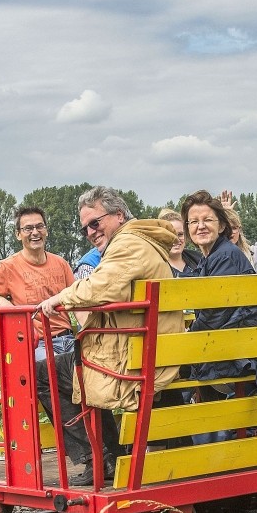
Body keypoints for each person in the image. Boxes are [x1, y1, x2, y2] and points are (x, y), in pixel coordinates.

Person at [36, 186, 184, 485]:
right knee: (72, 366)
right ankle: (110, 454)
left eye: (95, 222)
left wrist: (59, 298)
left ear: (118, 215)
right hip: (145, 351)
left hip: (133, 362)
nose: (90, 232)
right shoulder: (142, 241)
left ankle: (101, 457)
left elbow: (100, 286)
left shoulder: (129, 244)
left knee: (44, 372)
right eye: (85, 228)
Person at [177, 190, 257, 442]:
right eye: (193, 222)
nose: (200, 226)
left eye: (207, 220)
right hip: (230, 349)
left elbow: (215, 315)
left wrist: (185, 341)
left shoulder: (225, 256)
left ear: (223, 225)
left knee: (167, 371)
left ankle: (176, 447)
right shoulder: (213, 257)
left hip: (235, 354)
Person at [0, 205, 76, 360]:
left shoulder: (61, 263)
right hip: (37, 344)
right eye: (28, 228)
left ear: (46, 230)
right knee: (56, 369)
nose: (35, 232)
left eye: (40, 226)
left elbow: (78, 302)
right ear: (18, 234)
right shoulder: (8, 267)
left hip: (69, 338)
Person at [158, 208, 197, 276]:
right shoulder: (155, 265)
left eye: (180, 234)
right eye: (171, 235)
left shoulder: (198, 258)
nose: (176, 240)